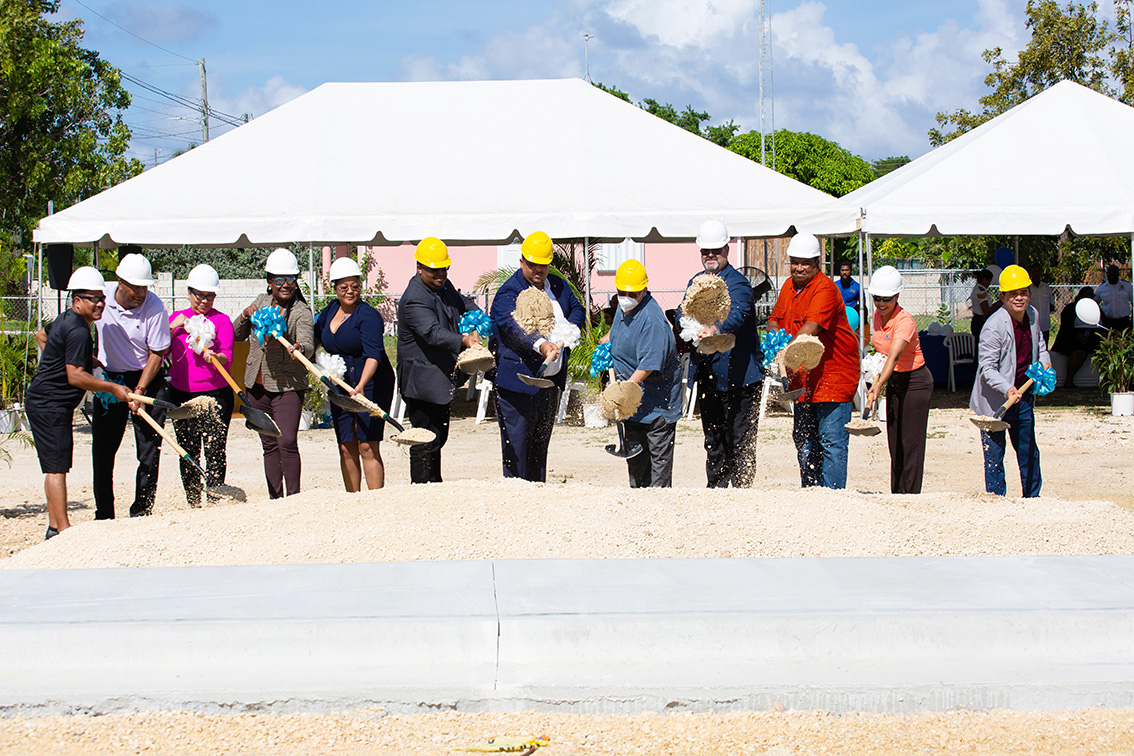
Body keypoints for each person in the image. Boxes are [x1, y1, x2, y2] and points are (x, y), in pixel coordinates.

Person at [26, 267, 131, 538]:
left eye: (102, 298)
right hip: (50, 405)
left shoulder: (66, 319)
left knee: (54, 466)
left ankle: (54, 527)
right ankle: (64, 531)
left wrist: (81, 358)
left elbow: (42, 336)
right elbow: (75, 377)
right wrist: (113, 387)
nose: (100, 304)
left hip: (47, 403)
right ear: (77, 301)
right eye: (93, 299)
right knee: (57, 468)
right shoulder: (78, 330)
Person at [489, 230, 585, 482]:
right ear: (522, 261)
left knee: (539, 449)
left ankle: (538, 495)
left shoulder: (559, 286)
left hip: (549, 384)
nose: (538, 270)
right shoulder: (509, 293)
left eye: (543, 264)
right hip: (518, 385)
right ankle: (516, 496)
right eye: (532, 264)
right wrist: (541, 345)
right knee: (517, 450)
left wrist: (569, 328)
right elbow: (513, 327)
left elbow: (577, 309)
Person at [768, 233, 861, 490]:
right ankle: (810, 494)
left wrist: (788, 348)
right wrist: (774, 339)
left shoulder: (825, 289)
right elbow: (774, 319)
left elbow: (811, 327)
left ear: (817, 263)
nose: (799, 268)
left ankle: (831, 497)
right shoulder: (788, 287)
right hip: (803, 377)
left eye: (805, 263)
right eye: (795, 262)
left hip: (833, 376)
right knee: (805, 442)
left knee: (831, 441)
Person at [680, 219, 764, 488]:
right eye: (705, 251)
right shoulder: (696, 282)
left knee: (740, 442)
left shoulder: (738, 283)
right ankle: (716, 491)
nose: (710, 255)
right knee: (714, 441)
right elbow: (684, 312)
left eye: (715, 250)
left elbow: (738, 311)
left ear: (727, 249)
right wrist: (685, 326)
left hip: (741, 379)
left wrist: (716, 328)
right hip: (710, 377)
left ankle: (742, 492)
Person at [91, 250, 172, 519]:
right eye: (135, 287)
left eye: (144, 287)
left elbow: (157, 354)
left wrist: (139, 391)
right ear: (120, 282)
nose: (140, 293)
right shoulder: (101, 298)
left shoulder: (155, 307)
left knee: (149, 451)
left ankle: (142, 510)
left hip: (146, 377)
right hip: (111, 378)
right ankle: (104, 514)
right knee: (103, 451)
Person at [396, 238, 482, 484]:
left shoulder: (443, 285)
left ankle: (434, 485)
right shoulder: (414, 298)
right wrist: (464, 340)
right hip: (421, 381)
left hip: (440, 377)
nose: (440, 274)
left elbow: (460, 302)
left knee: (438, 437)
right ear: (419, 268)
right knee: (424, 441)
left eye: (444, 269)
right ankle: (422, 488)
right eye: (434, 270)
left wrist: (477, 315)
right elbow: (432, 332)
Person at [232, 248, 315, 498]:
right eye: (280, 280)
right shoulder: (260, 302)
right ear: (270, 282)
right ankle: (275, 498)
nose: (286, 285)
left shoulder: (301, 311)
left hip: (287, 386)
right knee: (269, 444)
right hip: (256, 386)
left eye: (291, 279)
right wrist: (245, 315)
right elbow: (235, 334)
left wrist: (300, 348)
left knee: (286, 441)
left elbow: (308, 343)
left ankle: (294, 497)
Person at [970, 265, 1050, 498]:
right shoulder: (993, 326)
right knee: (994, 455)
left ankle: (1032, 498)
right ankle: (996, 501)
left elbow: (1040, 345)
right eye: (1013, 293)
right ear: (1003, 296)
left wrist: (1045, 362)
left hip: (1023, 398)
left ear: (1029, 294)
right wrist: (1007, 389)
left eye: (1023, 292)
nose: (1019, 298)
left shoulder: (1033, 315)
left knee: (1028, 451)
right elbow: (987, 368)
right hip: (996, 402)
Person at [316, 257, 396, 491]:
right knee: (346, 444)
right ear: (335, 288)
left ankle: (374, 499)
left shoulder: (368, 315)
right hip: (341, 383)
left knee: (367, 445)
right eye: (344, 287)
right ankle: (353, 498)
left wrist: (361, 385)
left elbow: (374, 356)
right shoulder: (330, 310)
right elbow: (316, 337)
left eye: (355, 286)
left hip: (371, 383)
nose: (350, 291)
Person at [603, 260, 681, 487]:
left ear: (644, 290)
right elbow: (617, 331)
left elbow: (648, 365)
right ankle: (638, 500)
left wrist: (623, 392)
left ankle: (658, 503)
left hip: (657, 406)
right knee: (637, 468)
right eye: (621, 292)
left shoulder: (652, 321)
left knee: (657, 472)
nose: (626, 297)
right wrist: (607, 342)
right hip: (633, 407)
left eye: (632, 293)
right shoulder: (625, 308)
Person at [167, 264, 235, 506]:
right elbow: (159, 348)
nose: (204, 301)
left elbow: (228, 355)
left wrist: (217, 357)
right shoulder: (176, 319)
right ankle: (193, 501)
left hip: (216, 393)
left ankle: (215, 497)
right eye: (199, 295)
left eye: (210, 296)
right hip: (182, 393)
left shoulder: (222, 321)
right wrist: (172, 327)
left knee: (215, 448)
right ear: (189, 292)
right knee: (188, 449)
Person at [863, 266, 933, 494]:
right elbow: (881, 352)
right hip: (893, 379)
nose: (881, 303)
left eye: (887, 299)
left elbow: (893, 356)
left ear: (897, 296)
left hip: (915, 382)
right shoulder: (876, 316)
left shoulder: (905, 321)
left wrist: (878, 384)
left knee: (910, 443)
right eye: (877, 298)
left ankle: (911, 496)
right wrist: (876, 374)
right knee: (895, 443)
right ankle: (897, 494)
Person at [1052, 286, 1100, 388]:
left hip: (1093, 338)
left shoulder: (1096, 308)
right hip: (1072, 339)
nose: (1090, 297)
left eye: (1092, 295)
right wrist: (1078, 336)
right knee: (1079, 352)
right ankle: (1069, 380)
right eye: (1087, 294)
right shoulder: (1071, 308)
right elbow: (1066, 327)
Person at [1094, 264, 1133, 331]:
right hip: (1108, 322)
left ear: (1118, 273)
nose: (1111, 274)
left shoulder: (1127, 286)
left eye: (1114, 272)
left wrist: (1132, 319)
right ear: (1107, 274)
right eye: (1109, 272)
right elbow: (1094, 303)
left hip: (1124, 322)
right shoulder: (1101, 288)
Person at [1028, 264, 1054, 346]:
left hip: (1044, 326)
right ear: (1031, 272)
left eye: (1038, 271)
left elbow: (1051, 305)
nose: (1036, 273)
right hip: (1030, 326)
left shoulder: (1046, 288)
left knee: (1044, 348)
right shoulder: (1027, 288)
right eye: (1034, 271)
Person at [968, 268, 996, 344]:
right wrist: (997, 305)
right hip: (980, 321)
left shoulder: (978, 289)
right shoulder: (980, 291)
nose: (989, 284)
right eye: (989, 281)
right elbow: (986, 310)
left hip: (979, 320)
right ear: (984, 280)